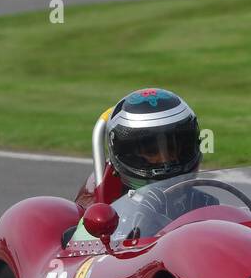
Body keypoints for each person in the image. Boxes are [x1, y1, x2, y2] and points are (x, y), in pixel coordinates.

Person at [75, 87, 217, 241]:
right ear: (126, 153)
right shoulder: (103, 219)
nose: (165, 159)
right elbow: (82, 259)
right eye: (151, 151)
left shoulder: (206, 203)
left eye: (172, 148)